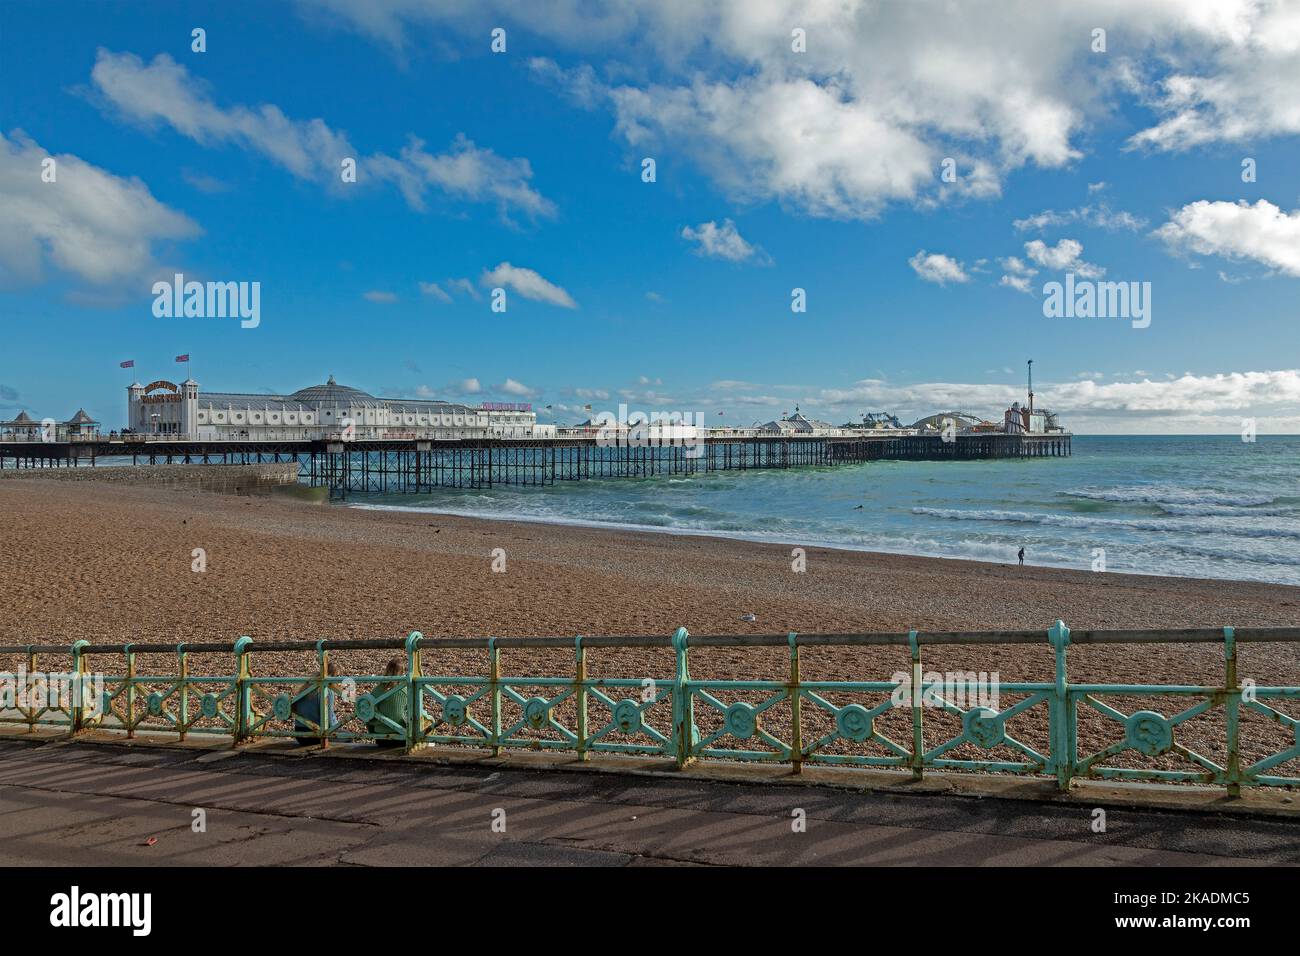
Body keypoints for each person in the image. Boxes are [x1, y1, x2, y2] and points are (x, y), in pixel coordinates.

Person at [292, 659, 341, 746]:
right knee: (348, 738)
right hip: (315, 735)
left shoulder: (306, 686)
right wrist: (339, 724)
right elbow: (329, 723)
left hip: (299, 734)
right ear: (334, 676)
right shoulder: (327, 690)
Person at [368, 657, 408, 748]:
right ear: (402, 672)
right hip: (401, 736)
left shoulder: (377, 690)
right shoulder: (406, 691)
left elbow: (368, 713)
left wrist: (371, 731)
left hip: (381, 737)